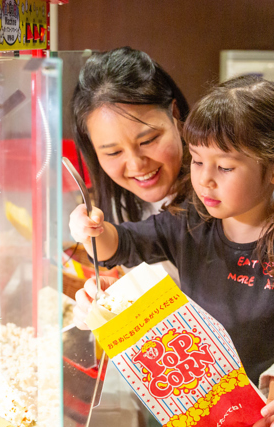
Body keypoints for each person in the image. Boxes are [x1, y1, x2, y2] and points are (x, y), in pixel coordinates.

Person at [70, 74, 274, 427]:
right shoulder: (190, 222)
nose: (204, 179)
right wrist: (92, 229)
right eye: (197, 160)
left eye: (225, 166)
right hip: (193, 423)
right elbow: (124, 242)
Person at [69, 47, 190, 322]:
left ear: (175, 114)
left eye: (147, 141)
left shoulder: (218, 195)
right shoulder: (116, 199)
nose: (136, 165)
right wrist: (112, 304)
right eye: (113, 153)